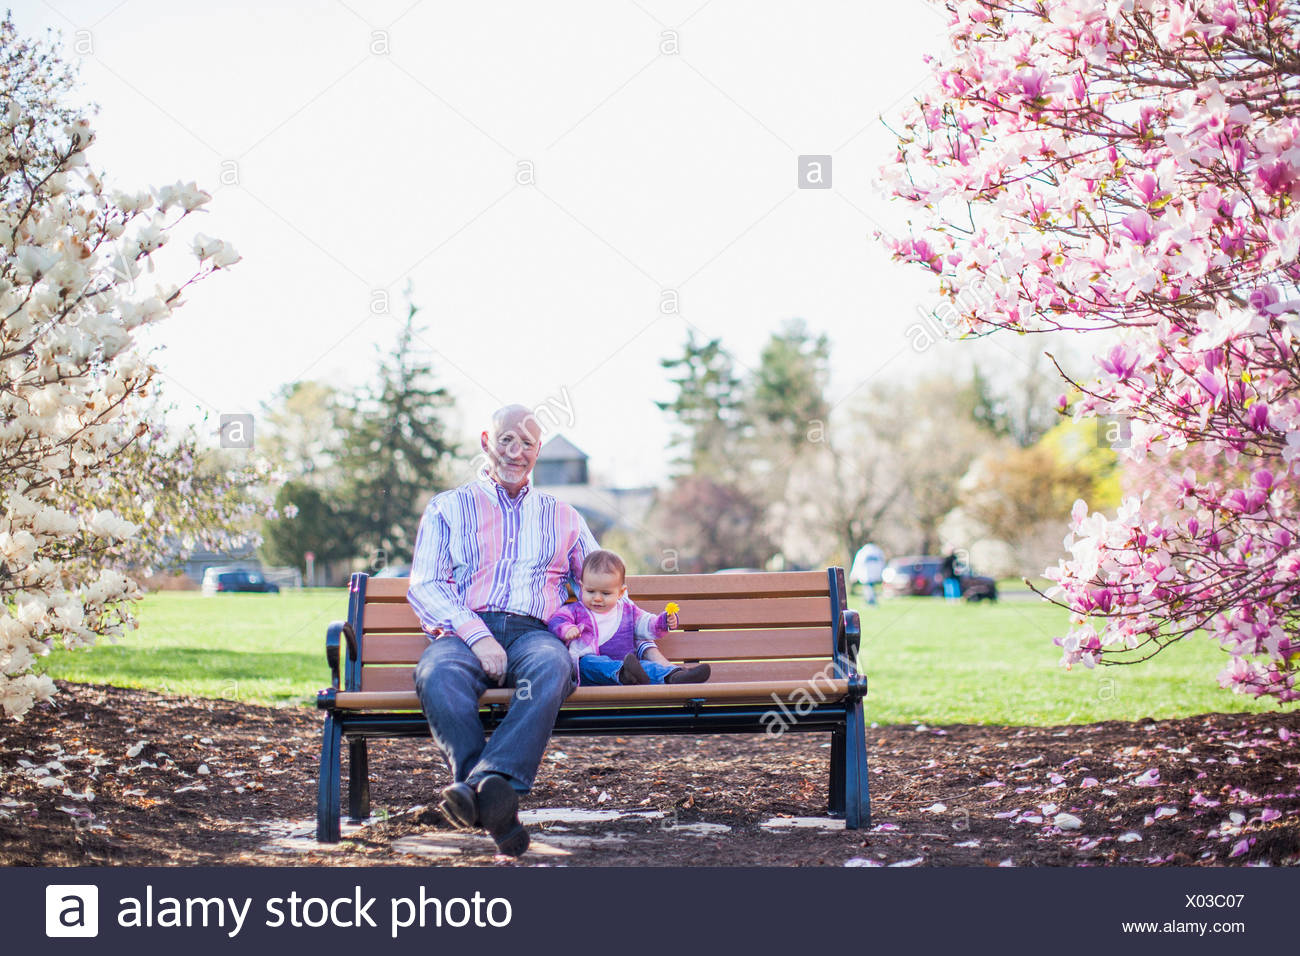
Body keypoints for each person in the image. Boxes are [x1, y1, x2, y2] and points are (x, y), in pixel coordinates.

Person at [406, 404, 597, 856]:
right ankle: (498, 803)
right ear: (486, 443)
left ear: (538, 451)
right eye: (506, 440)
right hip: (464, 633)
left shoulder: (564, 517)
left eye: (527, 443)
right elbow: (425, 585)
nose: (516, 452)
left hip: (535, 634)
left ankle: (476, 789)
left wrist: (641, 637)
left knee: (554, 667)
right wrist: (477, 635)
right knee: (437, 675)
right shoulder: (448, 507)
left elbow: (598, 581)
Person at [548, 549, 711, 686]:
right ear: (582, 587)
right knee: (588, 663)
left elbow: (646, 623)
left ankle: (674, 676)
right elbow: (557, 619)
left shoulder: (627, 610)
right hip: (591, 672)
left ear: (620, 592)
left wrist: (663, 622)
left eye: (605, 593)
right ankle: (625, 675)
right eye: (591, 592)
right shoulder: (576, 610)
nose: (597, 598)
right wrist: (567, 629)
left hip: (630, 666)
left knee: (646, 667)